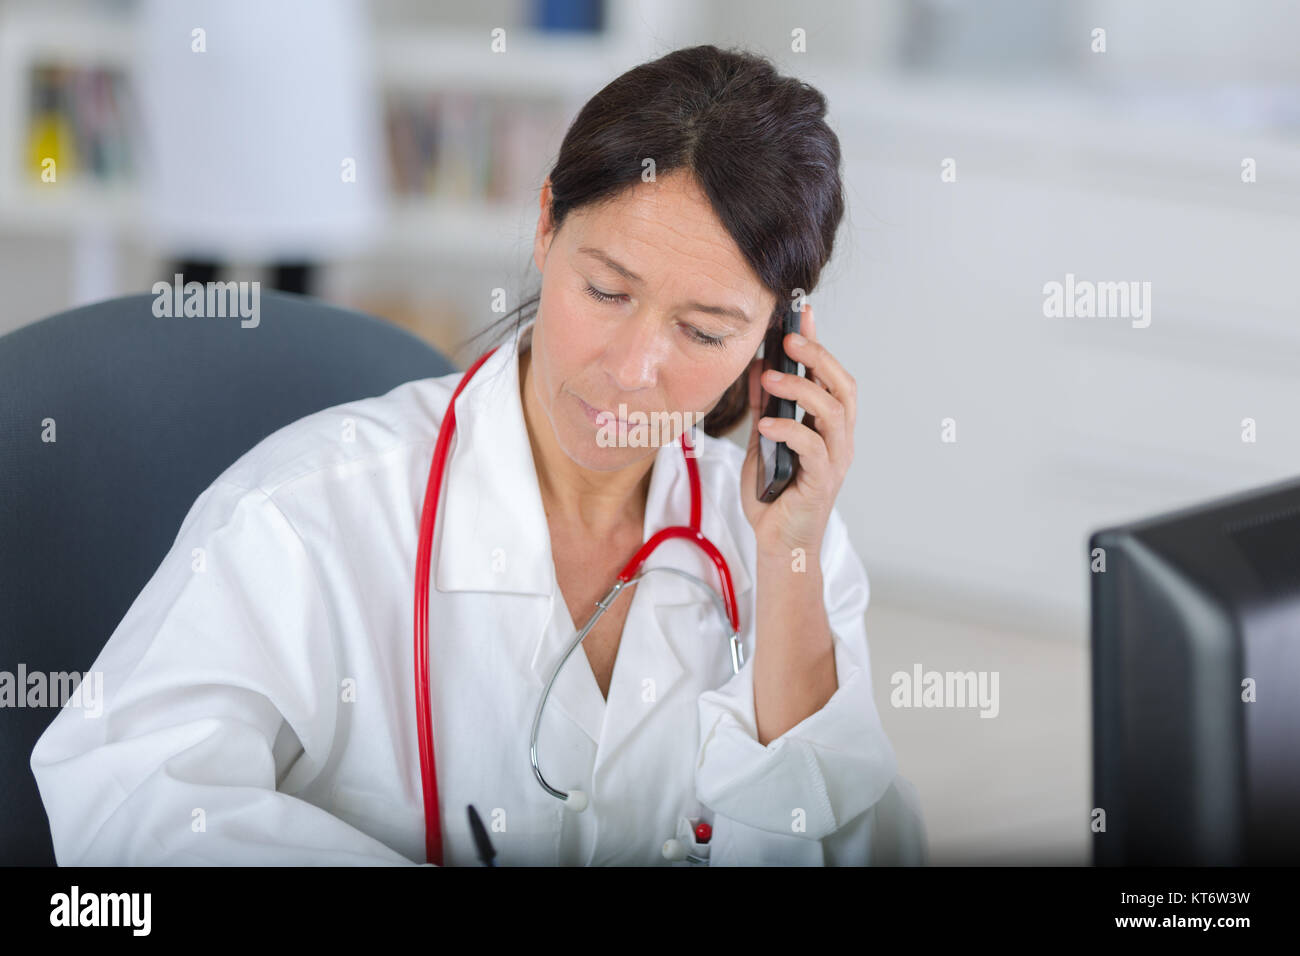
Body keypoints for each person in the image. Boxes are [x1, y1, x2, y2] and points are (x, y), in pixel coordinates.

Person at [30, 45, 926, 866]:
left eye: (703, 330)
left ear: (779, 340)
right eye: (606, 290)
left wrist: (793, 557)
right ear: (545, 228)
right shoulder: (308, 511)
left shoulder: (777, 542)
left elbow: (845, 839)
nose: (630, 371)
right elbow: (129, 802)